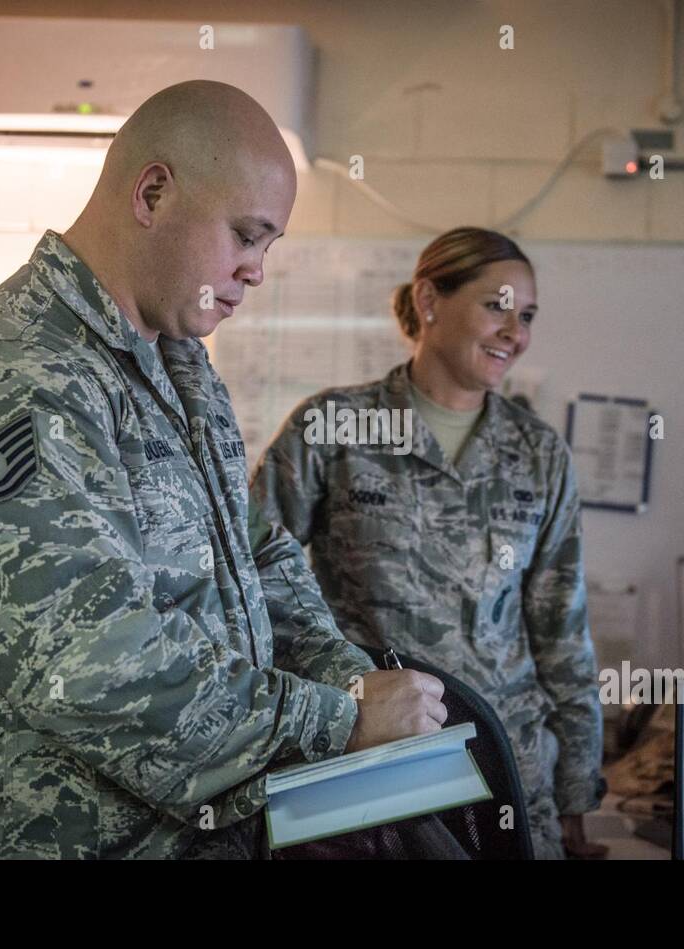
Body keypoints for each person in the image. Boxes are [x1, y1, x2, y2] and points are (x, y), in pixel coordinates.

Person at [0, 80, 446, 860]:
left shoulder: (176, 363)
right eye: (246, 236)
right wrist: (336, 721)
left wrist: (350, 682)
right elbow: (84, 663)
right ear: (153, 192)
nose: (256, 271)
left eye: (268, 248)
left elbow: (259, 553)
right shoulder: (6, 377)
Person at [250, 227, 608, 859]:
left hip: (511, 770)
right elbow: (248, 581)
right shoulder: (333, 429)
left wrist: (578, 786)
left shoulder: (538, 452)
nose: (514, 332)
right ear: (429, 300)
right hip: (378, 772)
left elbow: (562, 632)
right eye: (497, 305)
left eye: (525, 316)